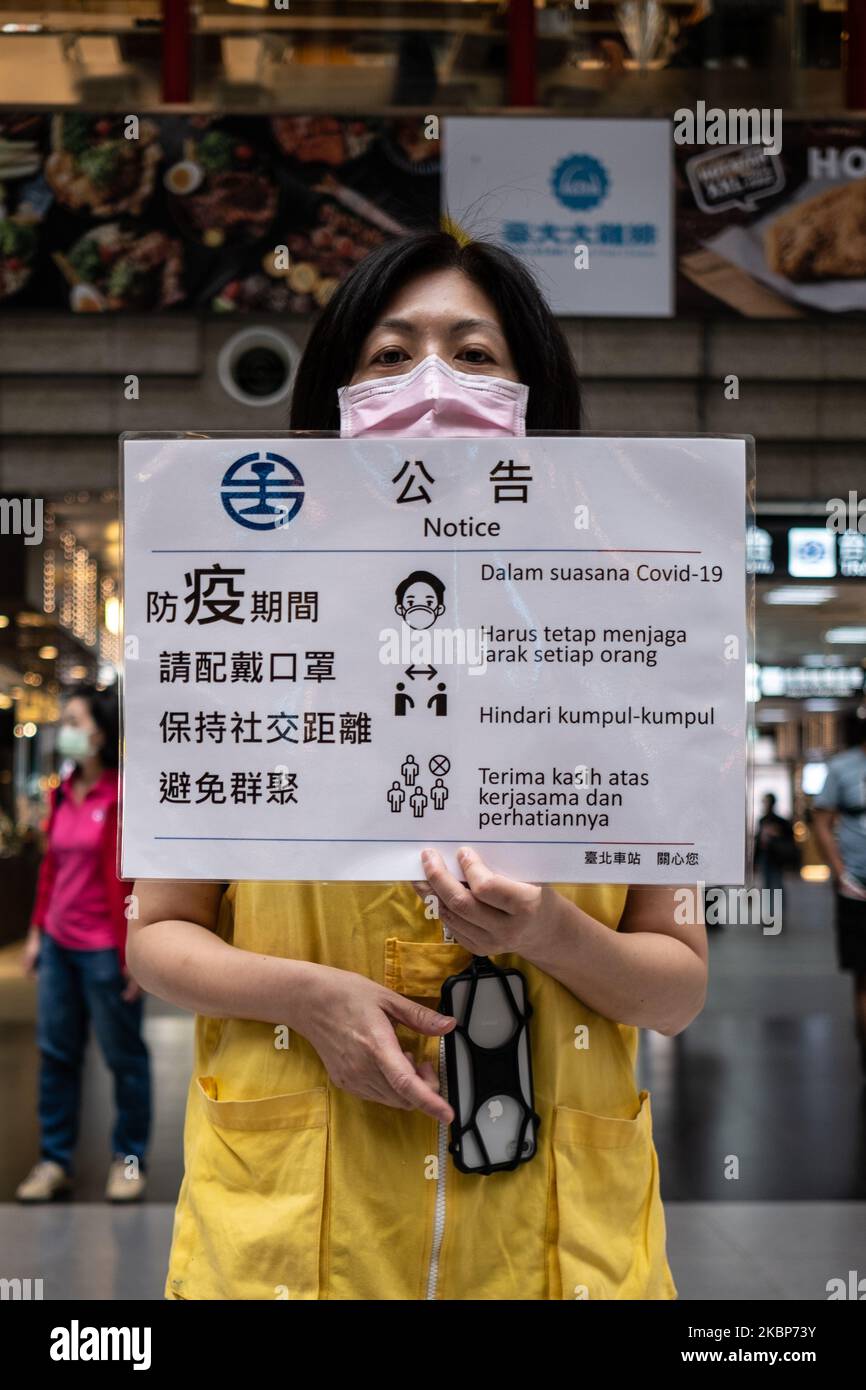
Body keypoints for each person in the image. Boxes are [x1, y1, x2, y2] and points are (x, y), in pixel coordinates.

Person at [129, 230, 708, 1301]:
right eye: (391, 355)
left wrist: (549, 932)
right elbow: (158, 937)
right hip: (297, 1234)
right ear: (336, 399)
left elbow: (674, 988)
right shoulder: (244, 632)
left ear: (532, 399)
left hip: (549, 1242)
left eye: (473, 353)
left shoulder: (630, 643)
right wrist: (304, 994)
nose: (431, 382)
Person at [17, 683, 150, 1203]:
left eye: (74, 722)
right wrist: (35, 933)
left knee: (125, 1059)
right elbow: (51, 870)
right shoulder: (61, 791)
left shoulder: (120, 797)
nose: (66, 732)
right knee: (56, 1055)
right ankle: (54, 1160)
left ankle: (130, 1159)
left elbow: (133, 880)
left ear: (99, 732)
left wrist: (136, 952)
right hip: (58, 945)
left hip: (104, 949)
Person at [813, 709, 866, 1081]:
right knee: (864, 976)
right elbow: (821, 820)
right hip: (858, 889)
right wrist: (839, 871)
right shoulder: (843, 767)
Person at [753, 792, 798, 895]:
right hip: (765, 855)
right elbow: (759, 840)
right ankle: (770, 908)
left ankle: (777, 907)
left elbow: (788, 837)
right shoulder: (762, 820)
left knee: (776, 882)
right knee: (767, 883)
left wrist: (776, 835)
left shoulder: (780, 821)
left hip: (775, 855)